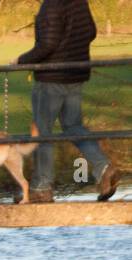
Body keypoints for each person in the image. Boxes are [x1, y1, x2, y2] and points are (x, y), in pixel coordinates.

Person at [13, 0, 120, 202]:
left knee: (42, 133)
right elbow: (91, 32)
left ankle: (41, 187)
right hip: (75, 73)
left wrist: (22, 60)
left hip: (52, 77)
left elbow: (48, 44)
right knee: (73, 126)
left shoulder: (51, 5)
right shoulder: (79, 2)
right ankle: (103, 168)